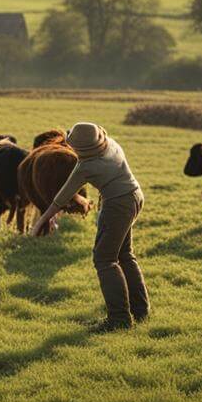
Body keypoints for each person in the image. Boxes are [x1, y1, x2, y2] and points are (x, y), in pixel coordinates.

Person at [30, 122, 149, 331]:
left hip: (117, 205)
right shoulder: (111, 144)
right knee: (125, 254)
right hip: (135, 196)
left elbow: (62, 197)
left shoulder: (86, 166)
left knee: (104, 259)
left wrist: (41, 221)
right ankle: (141, 310)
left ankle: (119, 319)